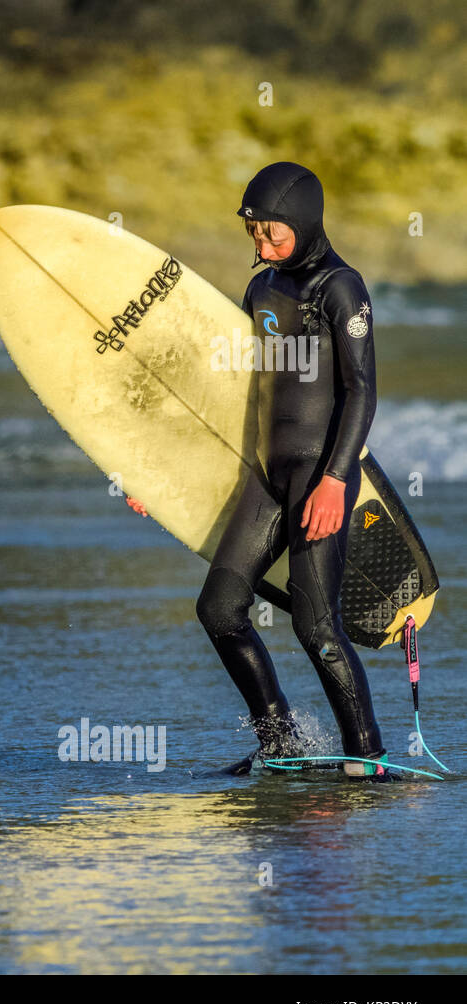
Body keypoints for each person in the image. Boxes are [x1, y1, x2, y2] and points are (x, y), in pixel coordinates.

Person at [130, 161, 389, 779]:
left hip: (321, 474)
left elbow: (361, 392)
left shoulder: (340, 288)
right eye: (254, 233)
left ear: (302, 222)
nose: (262, 244)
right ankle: (283, 741)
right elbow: (230, 394)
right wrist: (158, 470)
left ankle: (367, 755)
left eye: (273, 232)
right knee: (219, 610)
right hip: (267, 476)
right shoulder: (260, 289)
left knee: (315, 625)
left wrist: (334, 480)